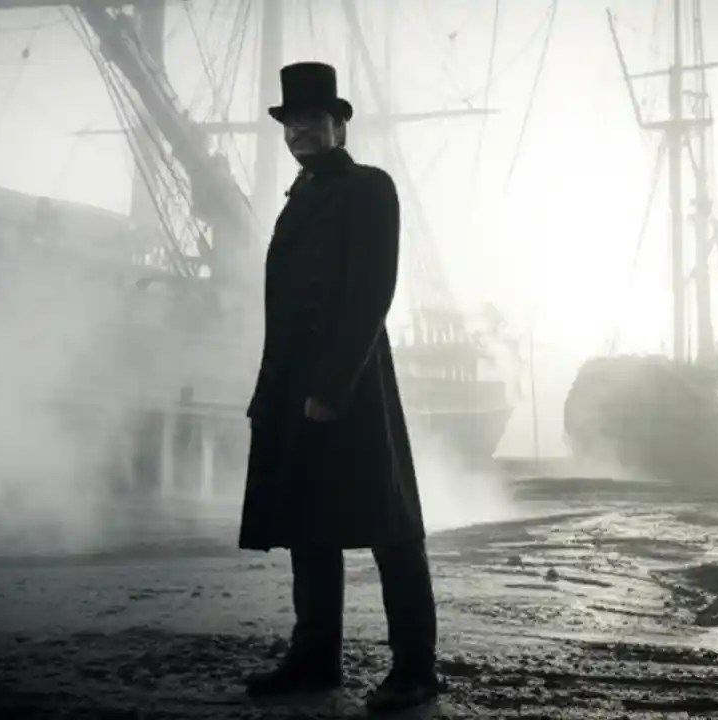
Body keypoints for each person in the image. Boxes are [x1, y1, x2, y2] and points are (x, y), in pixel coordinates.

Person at [237, 61, 440, 713]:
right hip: (294, 380)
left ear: (340, 124)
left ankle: (415, 670)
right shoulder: (301, 198)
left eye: (313, 121)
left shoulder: (369, 188)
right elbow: (285, 307)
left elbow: (372, 290)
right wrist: (272, 394)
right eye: (292, 123)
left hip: (350, 380)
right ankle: (314, 661)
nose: (300, 132)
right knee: (307, 523)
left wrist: (332, 383)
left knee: (389, 527)